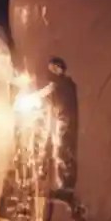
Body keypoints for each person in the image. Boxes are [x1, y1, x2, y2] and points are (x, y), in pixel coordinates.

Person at [37, 56, 79, 195]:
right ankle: (61, 184)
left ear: (59, 68)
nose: (51, 73)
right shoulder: (65, 85)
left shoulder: (61, 85)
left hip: (63, 124)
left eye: (53, 69)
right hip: (63, 123)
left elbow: (45, 93)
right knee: (59, 151)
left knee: (61, 151)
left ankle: (64, 185)